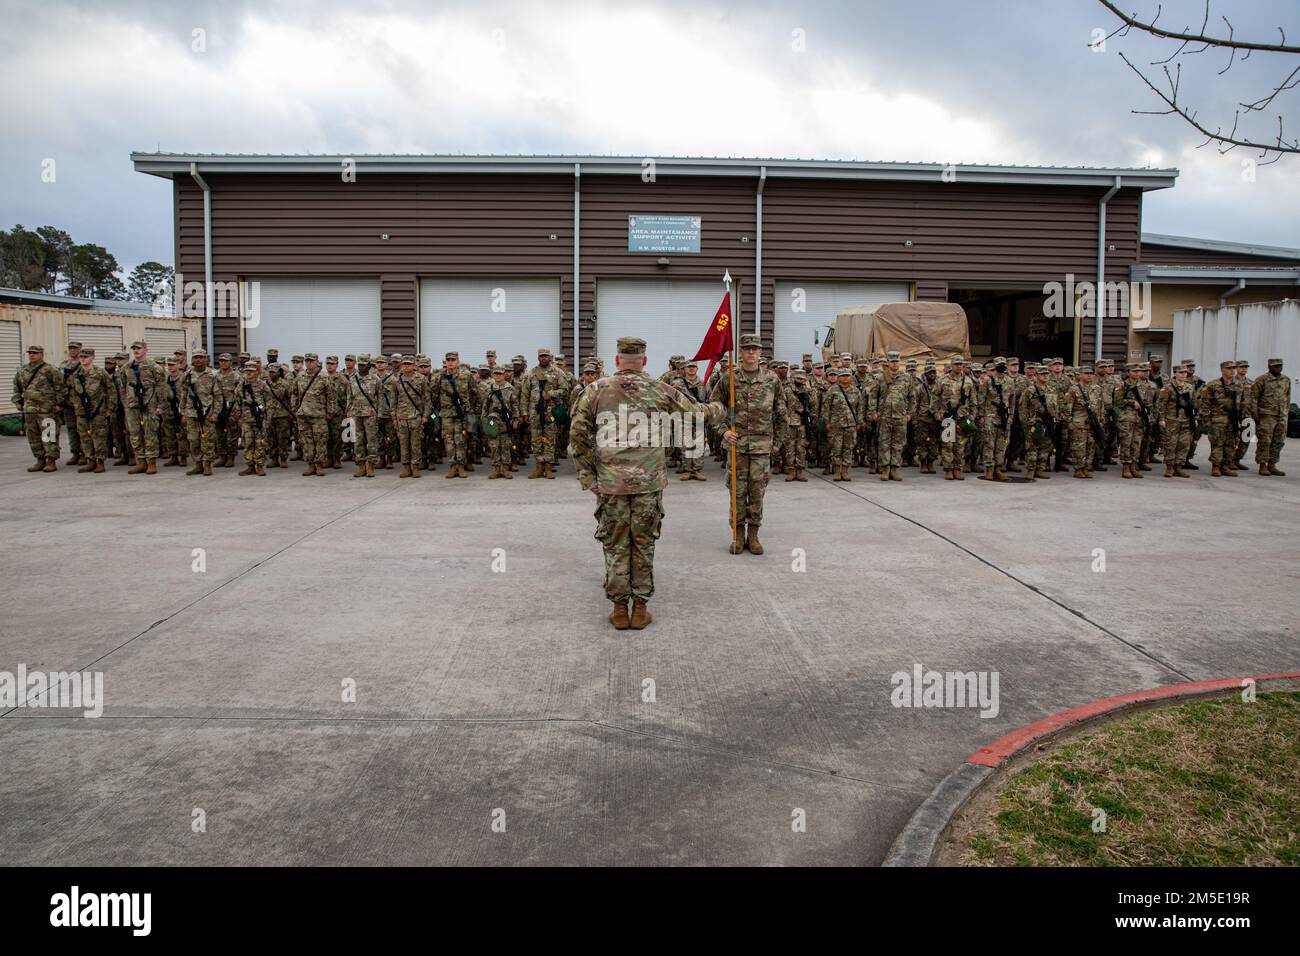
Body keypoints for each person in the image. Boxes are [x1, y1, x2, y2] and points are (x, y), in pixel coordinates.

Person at [569, 336, 727, 630]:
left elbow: (577, 434)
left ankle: (619, 609)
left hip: (611, 486)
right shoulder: (660, 389)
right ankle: (640, 608)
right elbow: (696, 415)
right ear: (644, 360)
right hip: (648, 484)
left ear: (617, 360)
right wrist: (720, 406)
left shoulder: (595, 390)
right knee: (643, 544)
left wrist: (589, 476)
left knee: (615, 545)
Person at [708, 333, 787, 555]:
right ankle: (738, 536)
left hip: (762, 448)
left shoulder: (771, 380)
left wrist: (777, 443)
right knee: (737, 491)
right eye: (747, 349)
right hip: (737, 447)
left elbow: (781, 413)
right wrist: (723, 432)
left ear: (761, 353)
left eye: (755, 349)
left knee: (757, 491)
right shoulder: (729, 379)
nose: (751, 352)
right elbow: (714, 408)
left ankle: (753, 535)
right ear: (740, 352)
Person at [118, 339, 168, 475]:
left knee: (150, 433)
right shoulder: (126, 368)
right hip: (132, 406)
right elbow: (122, 387)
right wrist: (125, 403)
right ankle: (141, 462)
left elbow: (162, 388)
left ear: (146, 349)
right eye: (134, 348)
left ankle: (151, 462)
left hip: (150, 404)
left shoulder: (155, 367)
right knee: (134, 434)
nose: (136, 351)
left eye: (139, 348)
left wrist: (161, 406)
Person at [69, 345, 115, 474]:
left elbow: (111, 390)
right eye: (81, 357)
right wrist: (75, 405)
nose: (83, 359)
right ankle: (90, 460)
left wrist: (110, 407)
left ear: (93, 357)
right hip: (81, 411)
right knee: (84, 436)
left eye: (85, 357)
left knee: (99, 436)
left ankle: (100, 461)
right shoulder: (76, 375)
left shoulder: (100, 373)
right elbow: (71, 391)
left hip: (98, 410)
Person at [1198, 360, 1243, 477]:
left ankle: (1226, 466)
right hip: (1217, 419)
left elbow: (1242, 402)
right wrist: (1207, 419)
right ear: (1222, 370)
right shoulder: (1213, 385)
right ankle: (1216, 467)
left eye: (1234, 368)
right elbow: (1205, 403)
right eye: (1229, 368)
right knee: (1217, 443)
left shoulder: (1238, 384)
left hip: (1232, 419)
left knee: (1230, 444)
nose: (1232, 370)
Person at [180, 349, 221, 476]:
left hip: (207, 413)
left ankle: (207, 464)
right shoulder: (187, 375)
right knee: (193, 440)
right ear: (192, 359)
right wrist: (183, 413)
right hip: (191, 413)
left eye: (201, 357)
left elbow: (218, 396)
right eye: (196, 357)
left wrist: (215, 414)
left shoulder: (213, 375)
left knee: (208, 440)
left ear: (206, 359)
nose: (198, 360)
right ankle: (198, 464)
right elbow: (183, 395)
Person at [388, 355, 430, 477]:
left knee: (415, 443)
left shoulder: (421, 379)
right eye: (405, 364)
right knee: (403, 444)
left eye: (409, 364)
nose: (407, 366)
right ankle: (406, 467)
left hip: (416, 416)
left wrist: (425, 415)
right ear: (401, 365)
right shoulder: (396, 380)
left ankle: (416, 467)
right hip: (401, 417)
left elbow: (427, 399)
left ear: (414, 365)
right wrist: (394, 418)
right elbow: (393, 401)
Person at [294, 352, 336, 476]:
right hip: (303, 414)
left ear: (317, 362)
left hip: (318, 415)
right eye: (307, 361)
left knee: (320, 441)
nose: (309, 363)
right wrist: (295, 408)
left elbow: (331, 396)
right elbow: (294, 393)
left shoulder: (324, 377)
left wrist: (330, 412)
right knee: (306, 441)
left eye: (311, 361)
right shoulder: (300, 376)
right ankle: (310, 465)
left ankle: (319, 465)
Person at [1251, 358, 1290, 475]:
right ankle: (1263, 465)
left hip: (1281, 415)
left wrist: (1286, 412)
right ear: (1269, 367)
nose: (1278, 368)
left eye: (1280, 366)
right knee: (1265, 441)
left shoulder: (1286, 380)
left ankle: (1272, 464)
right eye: (1275, 366)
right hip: (1266, 415)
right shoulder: (1262, 380)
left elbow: (1287, 397)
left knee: (1279, 441)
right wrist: (1255, 415)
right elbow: (1254, 398)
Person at [347, 354, 383, 477]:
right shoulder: (352, 379)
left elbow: (380, 398)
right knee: (358, 441)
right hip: (356, 414)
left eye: (364, 365)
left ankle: (371, 466)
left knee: (372, 441)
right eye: (360, 364)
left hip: (371, 414)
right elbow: (349, 398)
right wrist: (348, 413)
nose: (361, 367)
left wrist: (380, 414)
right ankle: (361, 466)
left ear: (369, 365)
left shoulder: (375, 379)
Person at [1157, 364, 1194, 478]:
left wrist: (1194, 418)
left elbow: (1193, 404)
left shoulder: (1189, 387)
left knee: (1184, 444)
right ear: (1175, 374)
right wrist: (1162, 419)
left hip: (1186, 420)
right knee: (1171, 444)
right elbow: (1161, 404)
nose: (1183, 375)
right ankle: (1169, 467)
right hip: (1171, 419)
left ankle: (1179, 467)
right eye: (1181, 373)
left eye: (1185, 373)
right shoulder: (1168, 388)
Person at [824, 367, 859, 481]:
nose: (845, 378)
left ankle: (845, 471)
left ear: (851, 377)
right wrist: (827, 421)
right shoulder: (832, 390)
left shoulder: (856, 391)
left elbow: (860, 408)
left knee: (848, 448)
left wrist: (859, 422)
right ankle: (837, 471)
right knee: (836, 448)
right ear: (839, 377)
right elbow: (826, 407)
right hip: (836, 424)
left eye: (847, 375)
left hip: (851, 424)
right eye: (843, 375)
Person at [237, 362, 270, 475]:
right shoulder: (241, 385)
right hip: (246, 419)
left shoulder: (262, 385)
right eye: (247, 371)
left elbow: (269, 402)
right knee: (248, 442)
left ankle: (260, 465)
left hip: (260, 418)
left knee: (260, 443)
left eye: (251, 371)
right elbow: (237, 402)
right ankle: (250, 466)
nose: (249, 373)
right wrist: (239, 418)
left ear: (256, 372)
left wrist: (266, 415)